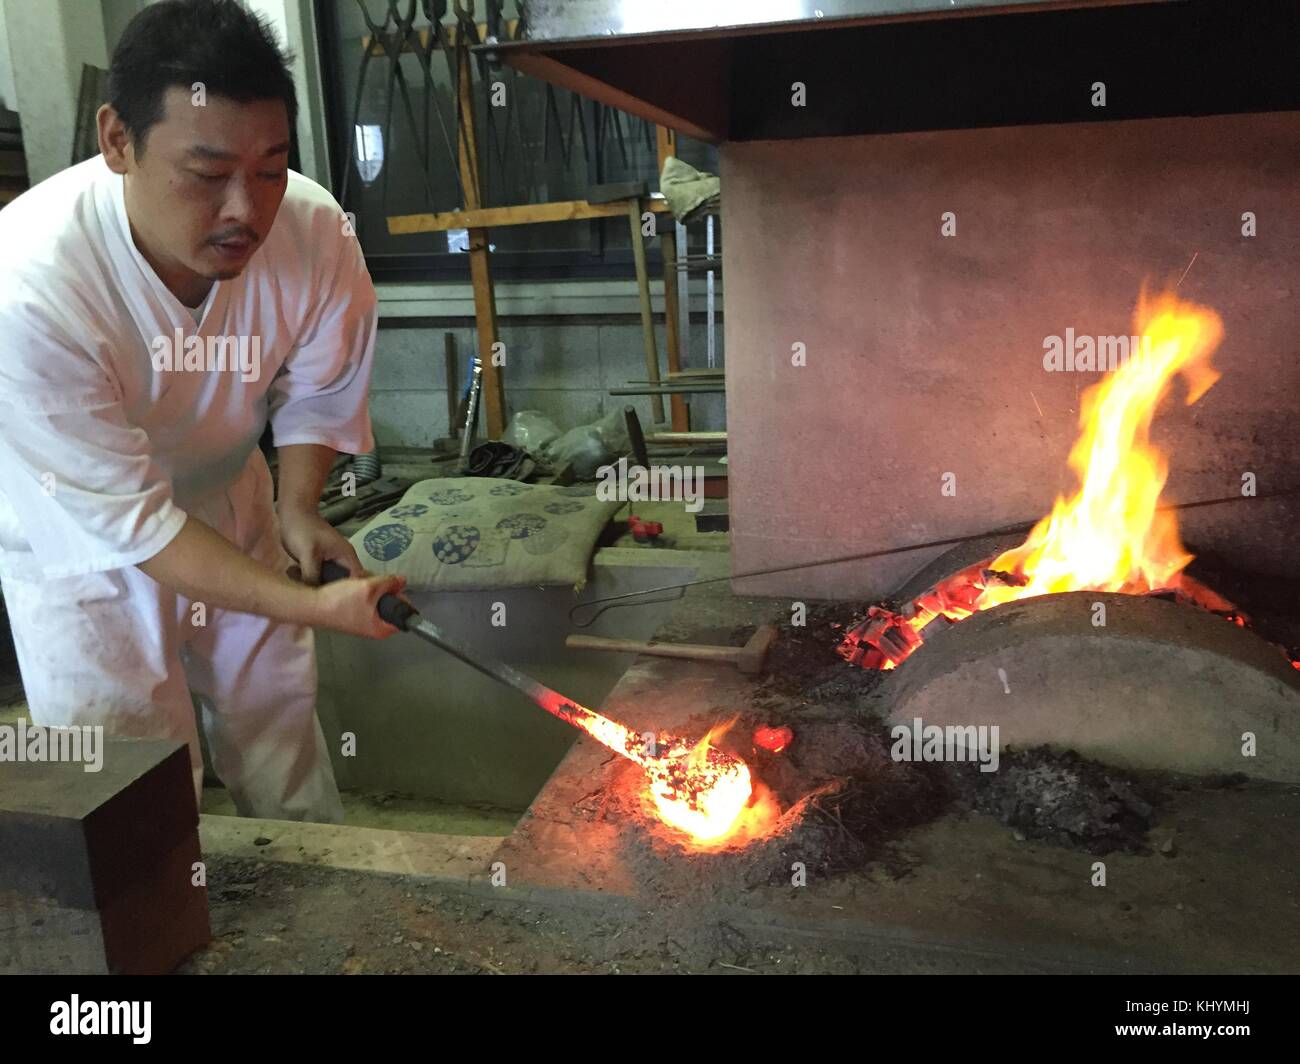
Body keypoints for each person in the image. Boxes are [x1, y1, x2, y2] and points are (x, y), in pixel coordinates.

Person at [0, 0, 405, 822]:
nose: (244, 211)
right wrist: (315, 607)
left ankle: (321, 917)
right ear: (118, 141)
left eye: (268, 169)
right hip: (82, 544)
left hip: (232, 495)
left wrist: (296, 508)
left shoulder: (316, 233)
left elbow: (319, 390)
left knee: (279, 735)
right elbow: (137, 527)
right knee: (133, 784)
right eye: (208, 171)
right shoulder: (31, 285)